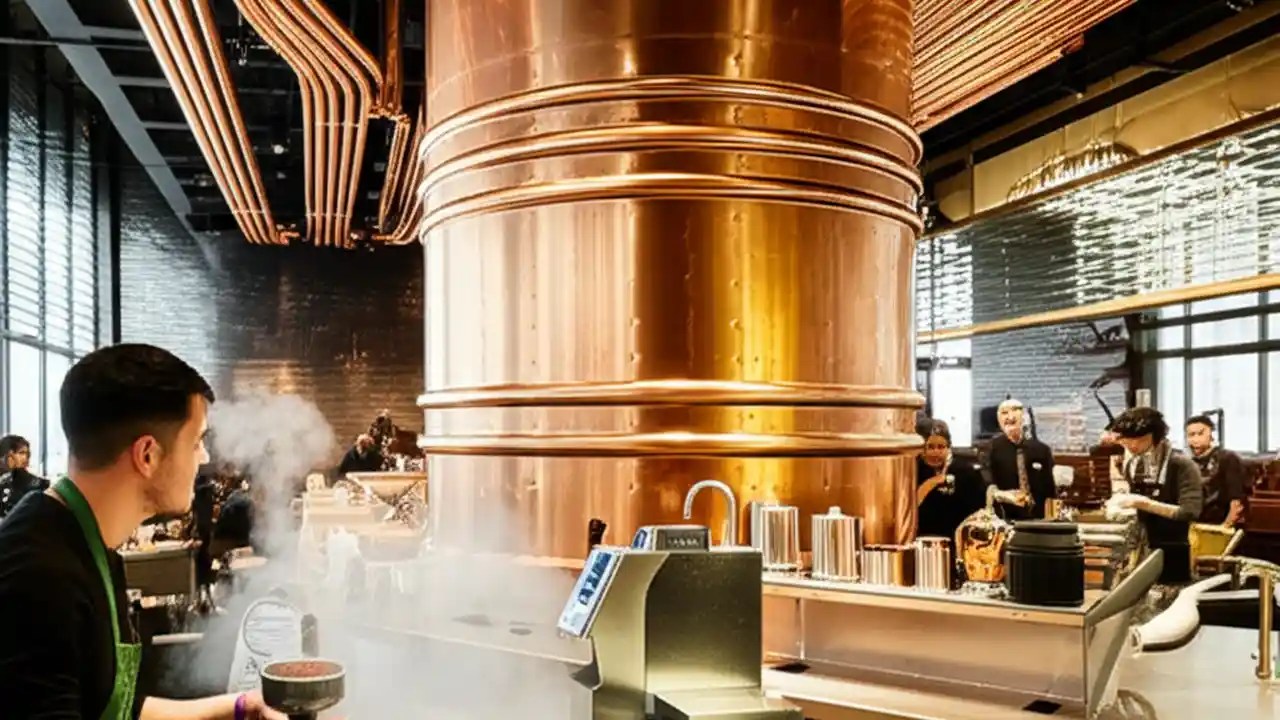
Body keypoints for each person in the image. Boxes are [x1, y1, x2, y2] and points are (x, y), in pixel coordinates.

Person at [0, 343, 284, 719]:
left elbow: (110, 704)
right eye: (197, 441)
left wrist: (238, 706)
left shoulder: (88, 540)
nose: (205, 458)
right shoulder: (37, 577)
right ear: (147, 455)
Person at [1109, 407, 1204, 585]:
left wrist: (1143, 503)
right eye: (1126, 441)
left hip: (1174, 545)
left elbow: (1190, 512)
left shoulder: (1181, 464)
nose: (1132, 446)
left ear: (1155, 436)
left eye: (1139, 440)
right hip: (1143, 543)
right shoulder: (1134, 462)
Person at [984, 398, 1056, 521]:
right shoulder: (990, 449)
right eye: (1004, 412)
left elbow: (1050, 488)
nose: (1009, 416)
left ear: (1023, 417)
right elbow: (987, 482)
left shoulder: (1042, 449)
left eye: (1014, 410)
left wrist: (1052, 518)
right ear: (999, 420)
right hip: (1004, 518)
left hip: (1039, 517)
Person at [915, 419, 987, 540]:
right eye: (931, 447)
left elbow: (978, 510)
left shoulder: (965, 471)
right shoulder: (915, 471)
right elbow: (911, 507)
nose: (936, 452)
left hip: (958, 538)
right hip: (924, 538)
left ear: (949, 448)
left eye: (941, 447)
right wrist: (933, 482)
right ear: (922, 450)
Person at [1184, 414, 1246, 527]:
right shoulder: (1188, 464)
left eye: (1200, 433)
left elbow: (1237, 502)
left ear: (1211, 435)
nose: (1195, 439)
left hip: (1221, 524)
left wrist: (1225, 527)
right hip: (1194, 526)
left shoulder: (1227, 458)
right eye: (1191, 435)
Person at [0, 434, 50, 518]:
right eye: (21, 453)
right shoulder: (3, 481)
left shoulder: (39, 485)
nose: (25, 458)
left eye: (27, 453)